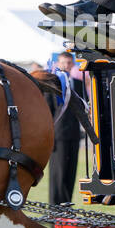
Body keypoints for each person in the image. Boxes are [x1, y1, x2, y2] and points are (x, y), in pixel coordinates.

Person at [47, 52, 86, 206]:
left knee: (71, 173)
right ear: (58, 64)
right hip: (58, 135)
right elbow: (48, 110)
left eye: (69, 63)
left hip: (75, 135)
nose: (66, 66)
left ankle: (67, 207)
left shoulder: (78, 83)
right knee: (58, 174)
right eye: (63, 63)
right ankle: (55, 209)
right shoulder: (52, 84)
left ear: (73, 65)